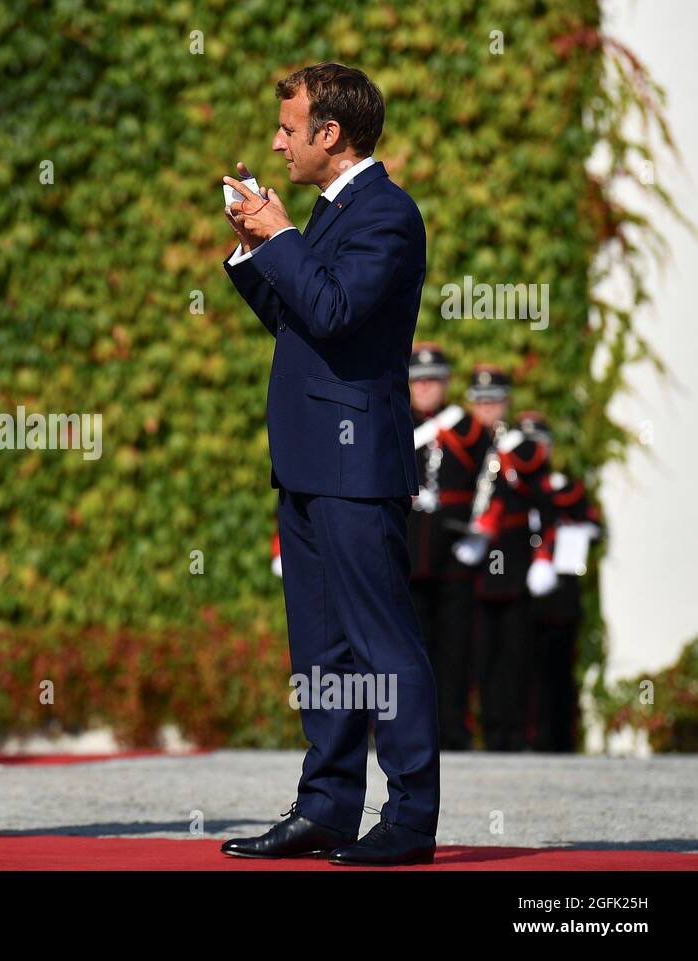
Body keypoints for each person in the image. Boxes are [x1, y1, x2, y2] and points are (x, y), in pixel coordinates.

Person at [218, 63, 438, 866]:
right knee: (320, 652)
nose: (278, 141)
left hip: (357, 465)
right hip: (307, 463)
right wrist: (256, 251)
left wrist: (280, 238)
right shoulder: (325, 213)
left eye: (288, 128)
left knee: (383, 645)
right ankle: (327, 807)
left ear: (329, 134)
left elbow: (337, 310)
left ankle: (411, 818)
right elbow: (298, 319)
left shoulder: (388, 213)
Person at [451, 372, 555, 751]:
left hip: (511, 562)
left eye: (492, 402)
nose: (486, 409)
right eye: (479, 402)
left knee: (515, 653)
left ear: (505, 403)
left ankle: (513, 733)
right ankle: (482, 728)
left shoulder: (520, 449)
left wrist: (543, 556)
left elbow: (544, 506)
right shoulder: (464, 443)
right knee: (476, 654)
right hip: (469, 567)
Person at [406, 344, 489, 750]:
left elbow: (490, 485)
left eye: (433, 380)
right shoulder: (395, 421)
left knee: (456, 647)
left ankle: (452, 728)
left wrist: (479, 534)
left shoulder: (469, 430)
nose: (425, 387)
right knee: (404, 648)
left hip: (454, 553)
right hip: (406, 551)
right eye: (418, 380)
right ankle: (407, 731)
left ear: (446, 383)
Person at [518, 412, 604, 752]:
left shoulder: (566, 488)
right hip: (518, 596)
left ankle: (559, 741)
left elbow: (593, 527)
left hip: (559, 598)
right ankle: (519, 739)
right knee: (519, 669)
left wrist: (564, 543)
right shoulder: (513, 487)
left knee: (559, 673)